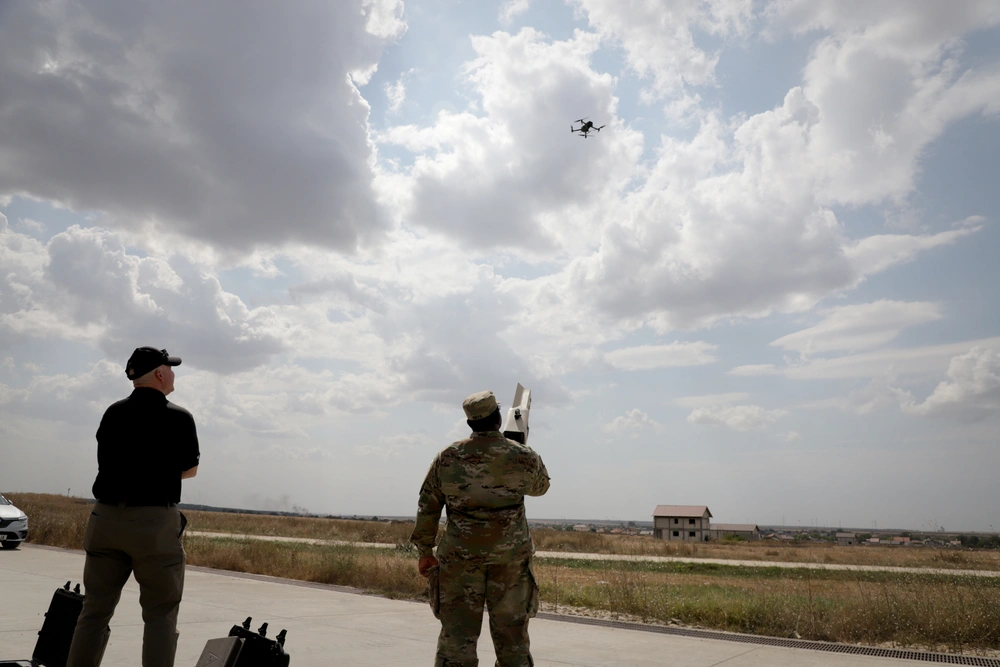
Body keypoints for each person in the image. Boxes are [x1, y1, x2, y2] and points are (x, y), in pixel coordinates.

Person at [67, 347, 200, 667]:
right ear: (159, 374)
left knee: (94, 611)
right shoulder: (179, 416)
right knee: (160, 615)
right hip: (153, 523)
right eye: (169, 367)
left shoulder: (113, 412)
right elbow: (190, 469)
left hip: (106, 518)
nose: (173, 373)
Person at [411, 390, 550, 667]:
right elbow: (541, 488)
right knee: (512, 637)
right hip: (510, 561)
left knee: (457, 637)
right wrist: (518, 449)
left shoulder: (447, 457)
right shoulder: (522, 456)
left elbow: (428, 506)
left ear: (470, 423)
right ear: (498, 419)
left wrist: (425, 550)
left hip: (459, 561)